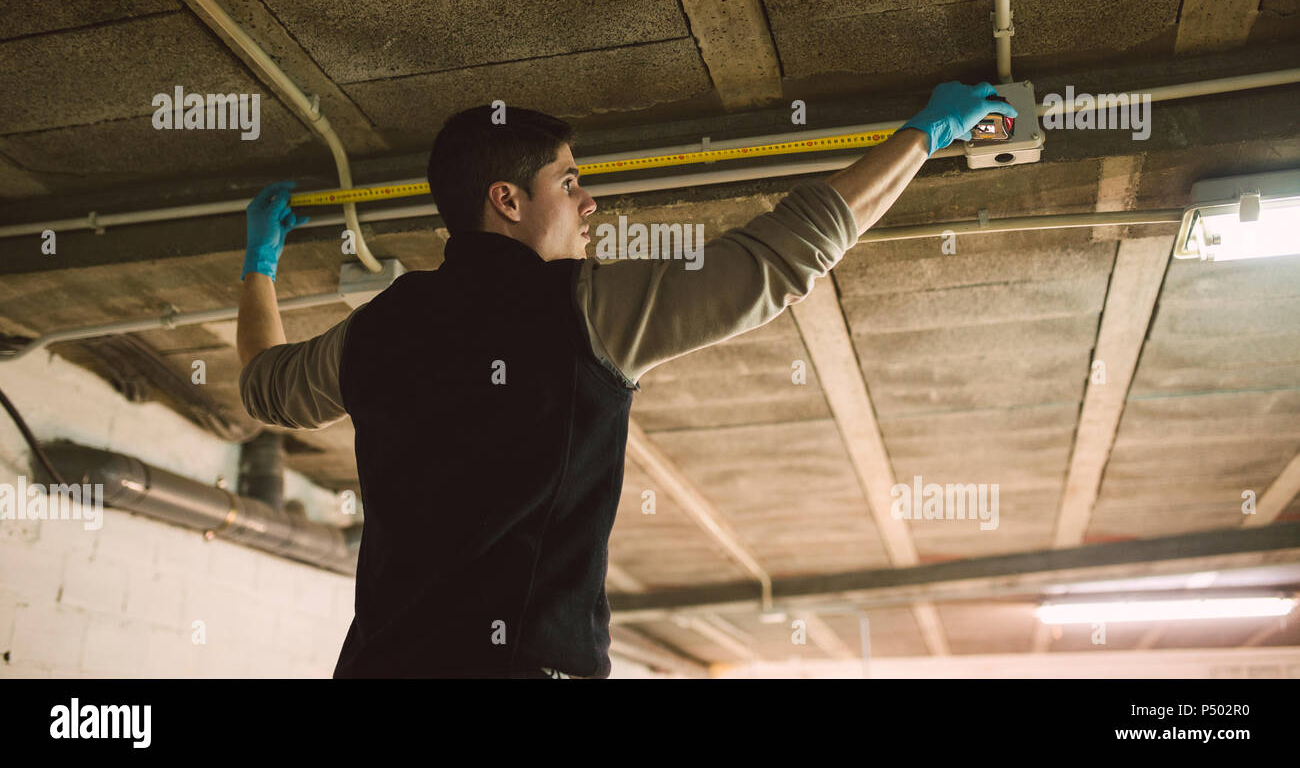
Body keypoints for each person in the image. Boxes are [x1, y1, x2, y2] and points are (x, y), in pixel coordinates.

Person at [236, 81, 1015, 678]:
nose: (590, 199)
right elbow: (780, 257)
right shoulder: (582, 309)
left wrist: (258, 265)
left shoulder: (378, 328)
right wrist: (927, 134)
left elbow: (263, 385)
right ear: (506, 201)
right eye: (569, 182)